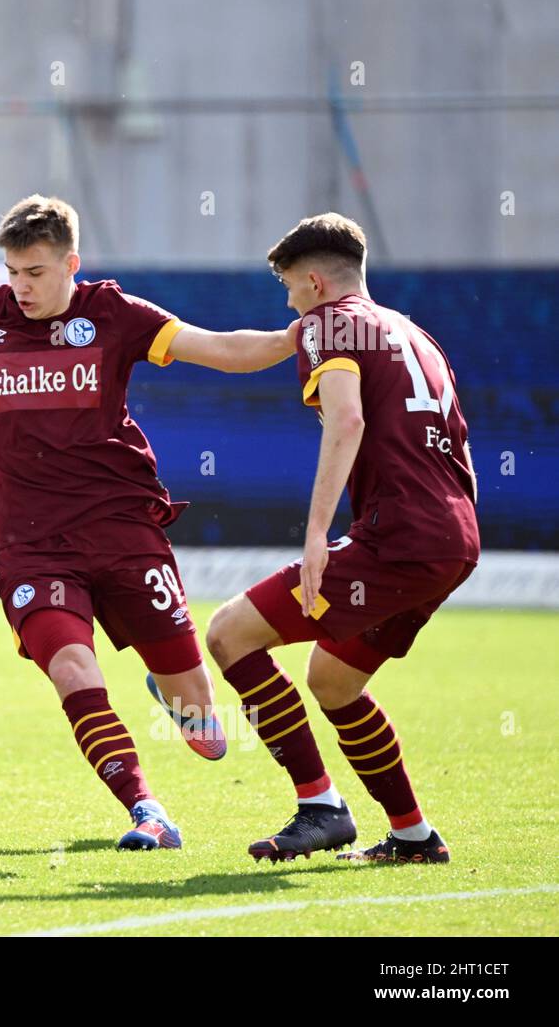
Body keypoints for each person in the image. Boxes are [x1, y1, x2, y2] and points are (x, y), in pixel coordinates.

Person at [0, 195, 296, 850]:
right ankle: (146, 810)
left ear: (70, 264)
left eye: (33, 271)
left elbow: (221, 348)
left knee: (203, 720)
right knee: (73, 670)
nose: (19, 286)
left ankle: (175, 690)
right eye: (11, 271)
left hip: (122, 529)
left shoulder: (114, 315)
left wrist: (294, 339)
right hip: (33, 546)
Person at [205, 213, 479, 864]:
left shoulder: (329, 324)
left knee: (228, 633)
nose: (289, 301)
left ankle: (319, 806)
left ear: (315, 280)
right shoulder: (416, 335)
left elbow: (347, 418)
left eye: (290, 288)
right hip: (455, 536)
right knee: (332, 679)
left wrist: (318, 533)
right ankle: (413, 835)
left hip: (402, 536)